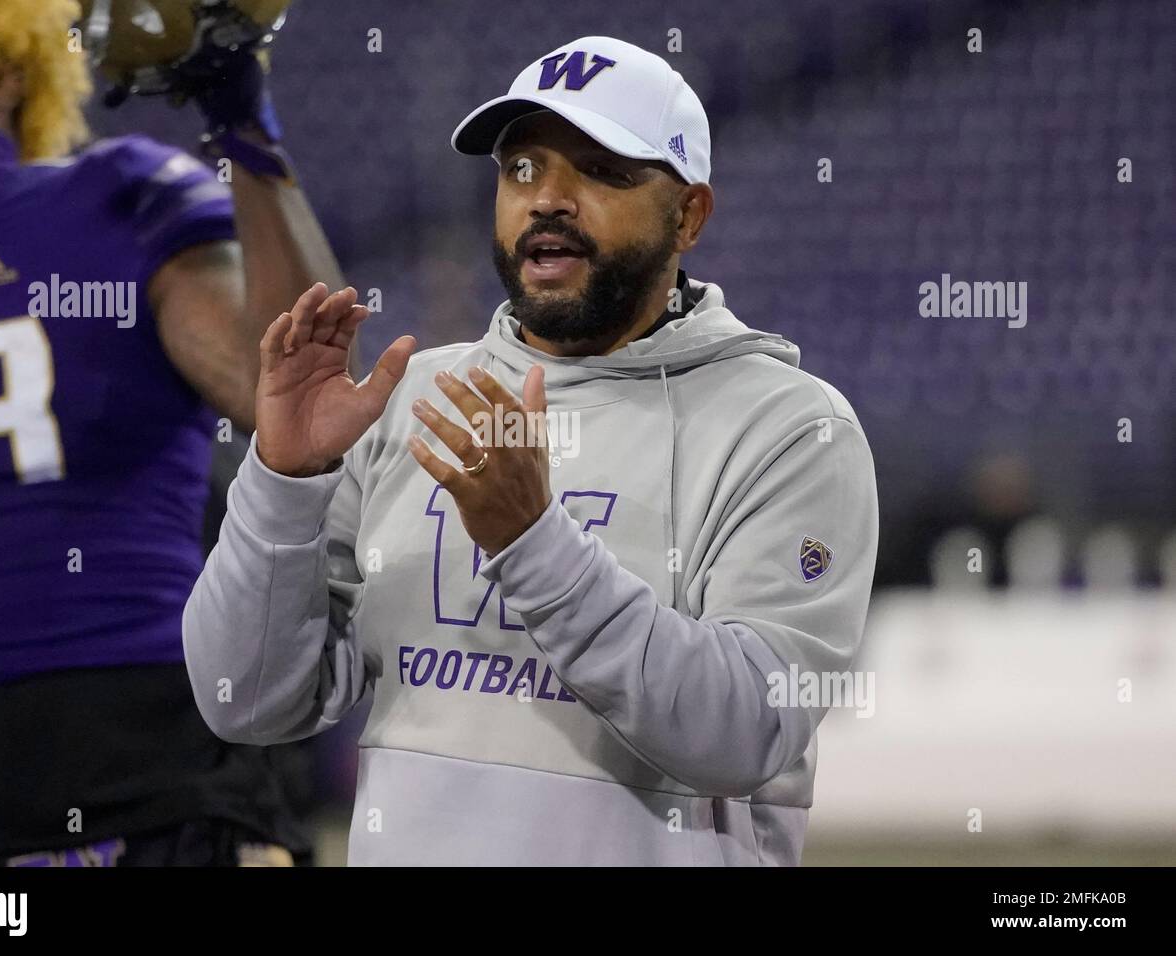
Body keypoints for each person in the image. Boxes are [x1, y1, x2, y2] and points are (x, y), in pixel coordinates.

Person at [184, 36, 879, 865]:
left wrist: (532, 542)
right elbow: (247, 700)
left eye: (600, 169)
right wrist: (282, 479)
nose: (548, 198)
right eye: (521, 168)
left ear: (688, 215)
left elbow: (747, 729)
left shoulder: (790, 429)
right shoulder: (413, 398)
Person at [0, 0, 340, 865]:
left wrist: (240, 125)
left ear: (6, 71)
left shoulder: (107, 195)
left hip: (140, 749)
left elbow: (288, 392)